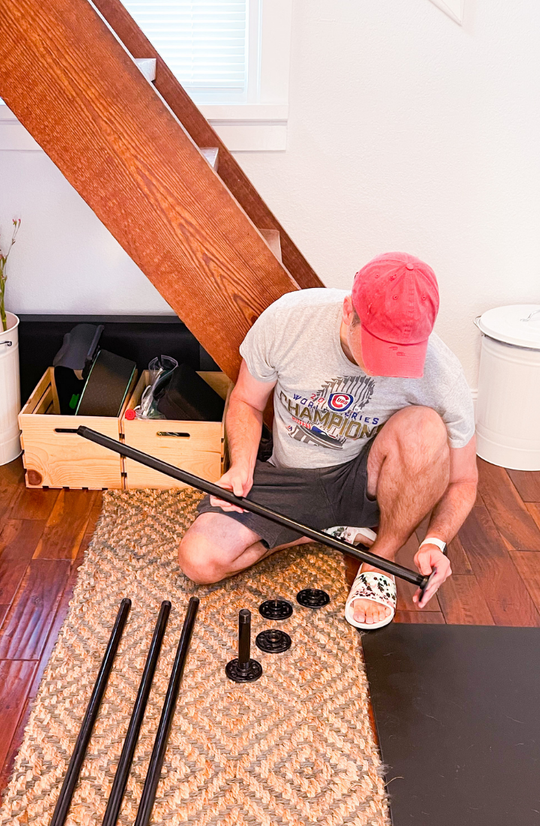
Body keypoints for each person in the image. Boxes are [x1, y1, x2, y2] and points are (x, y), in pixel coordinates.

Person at [177, 252, 478, 629]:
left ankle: (379, 556)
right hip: (288, 477)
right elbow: (246, 401)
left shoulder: (442, 371)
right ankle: (324, 531)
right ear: (348, 310)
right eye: (378, 349)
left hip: (364, 481)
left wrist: (435, 541)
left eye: (401, 356)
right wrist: (240, 466)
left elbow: (464, 480)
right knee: (199, 560)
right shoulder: (290, 319)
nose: (387, 368)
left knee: (426, 427)